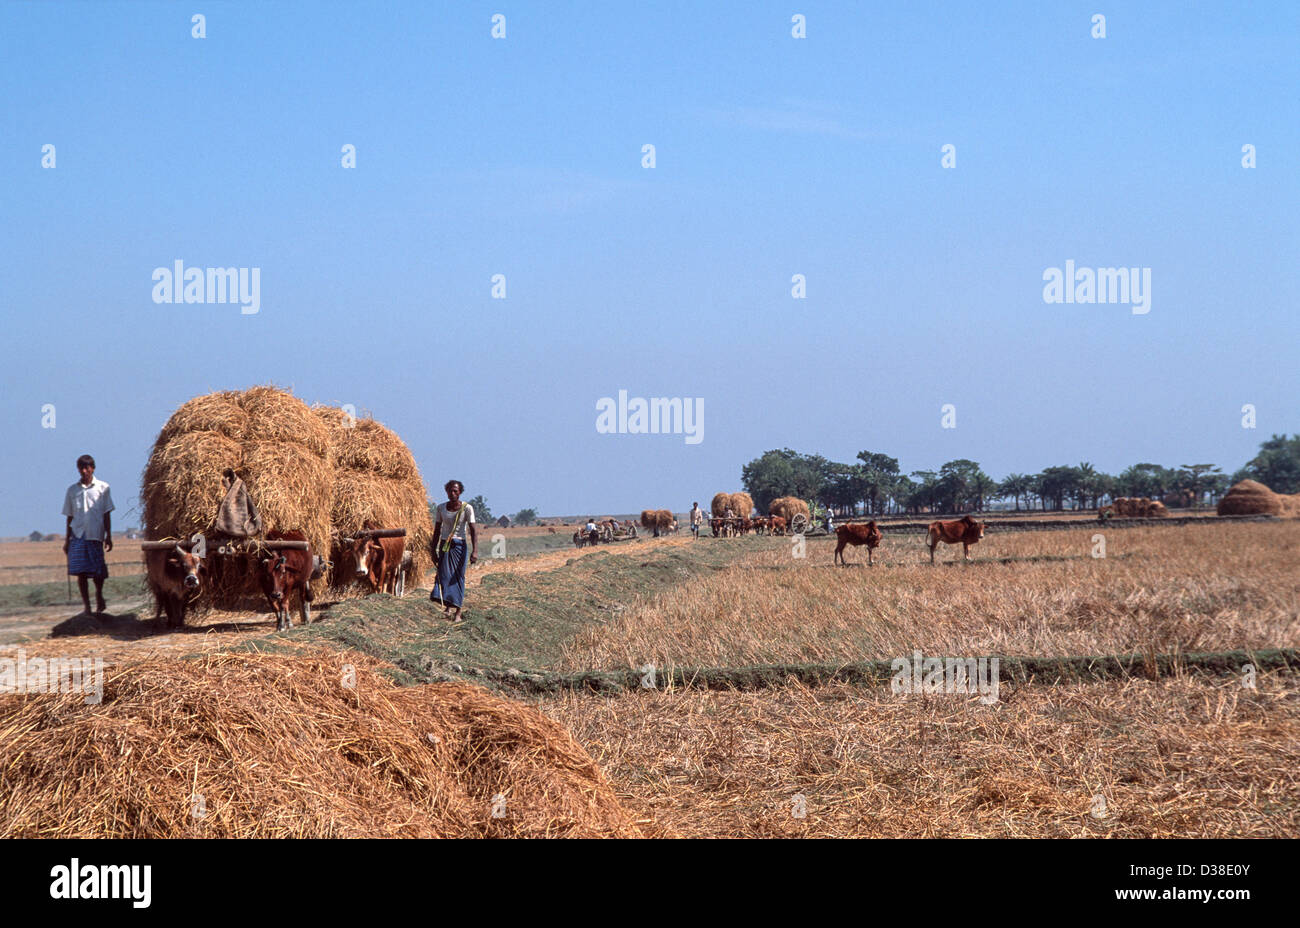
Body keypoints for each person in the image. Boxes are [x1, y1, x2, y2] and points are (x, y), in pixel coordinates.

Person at [62, 454, 114, 616]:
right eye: (82, 468)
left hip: (95, 534)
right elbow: (69, 516)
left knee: (98, 571)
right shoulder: (72, 490)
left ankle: (99, 595)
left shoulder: (103, 488)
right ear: (78, 469)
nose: (85, 471)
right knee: (81, 572)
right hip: (77, 534)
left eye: (87, 468)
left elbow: (106, 513)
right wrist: (67, 540)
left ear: (93, 468)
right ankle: (87, 606)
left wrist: (109, 536)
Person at [429, 480, 478, 621]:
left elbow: (473, 530)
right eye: (450, 491)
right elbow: (437, 531)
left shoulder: (467, 508)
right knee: (444, 576)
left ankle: (458, 611)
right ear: (446, 492)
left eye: (455, 491)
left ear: (460, 492)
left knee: (458, 578)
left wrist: (475, 551)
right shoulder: (441, 508)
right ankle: (448, 605)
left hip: (459, 546)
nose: (452, 493)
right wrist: (433, 550)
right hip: (445, 546)